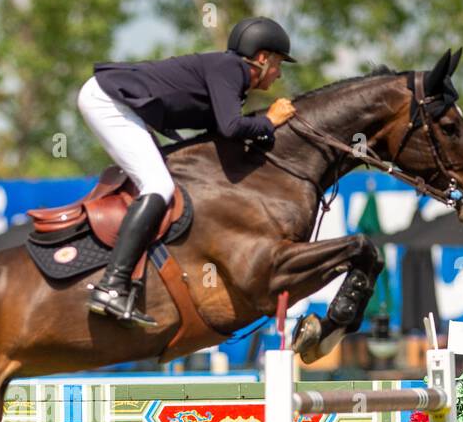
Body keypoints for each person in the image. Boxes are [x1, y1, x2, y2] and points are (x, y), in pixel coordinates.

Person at [78, 16, 298, 326]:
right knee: (157, 184)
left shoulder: (231, 76)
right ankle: (112, 285)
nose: (277, 75)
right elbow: (231, 127)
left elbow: (220, 134)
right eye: (278, 64)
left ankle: (129, 283)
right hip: (108, 101)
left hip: (119, 103)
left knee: (162, 180)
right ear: (262, 59)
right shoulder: (230, 69)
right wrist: (270, 121)